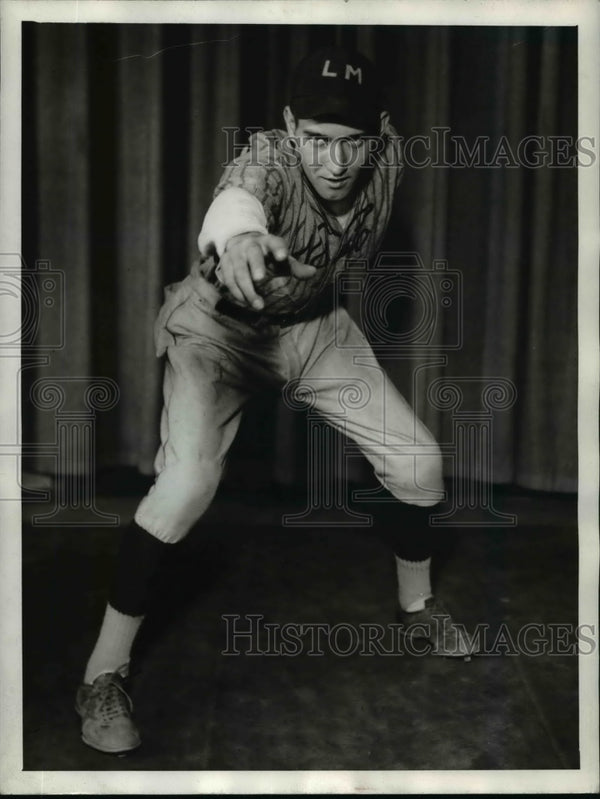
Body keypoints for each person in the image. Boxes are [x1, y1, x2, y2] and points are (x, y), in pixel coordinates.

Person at [75, 46, 475, 755]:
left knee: (420, 462)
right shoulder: (266, 159)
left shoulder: (386, 163)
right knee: (185, 486)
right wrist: (239, 236)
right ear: (289, 125)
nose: (334, 161)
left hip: (314, 328)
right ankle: (102, 673)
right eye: (317, 139)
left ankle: (418, 604)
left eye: (352, 143)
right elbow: (237, 200)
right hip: (219, 334)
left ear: (378, 135)